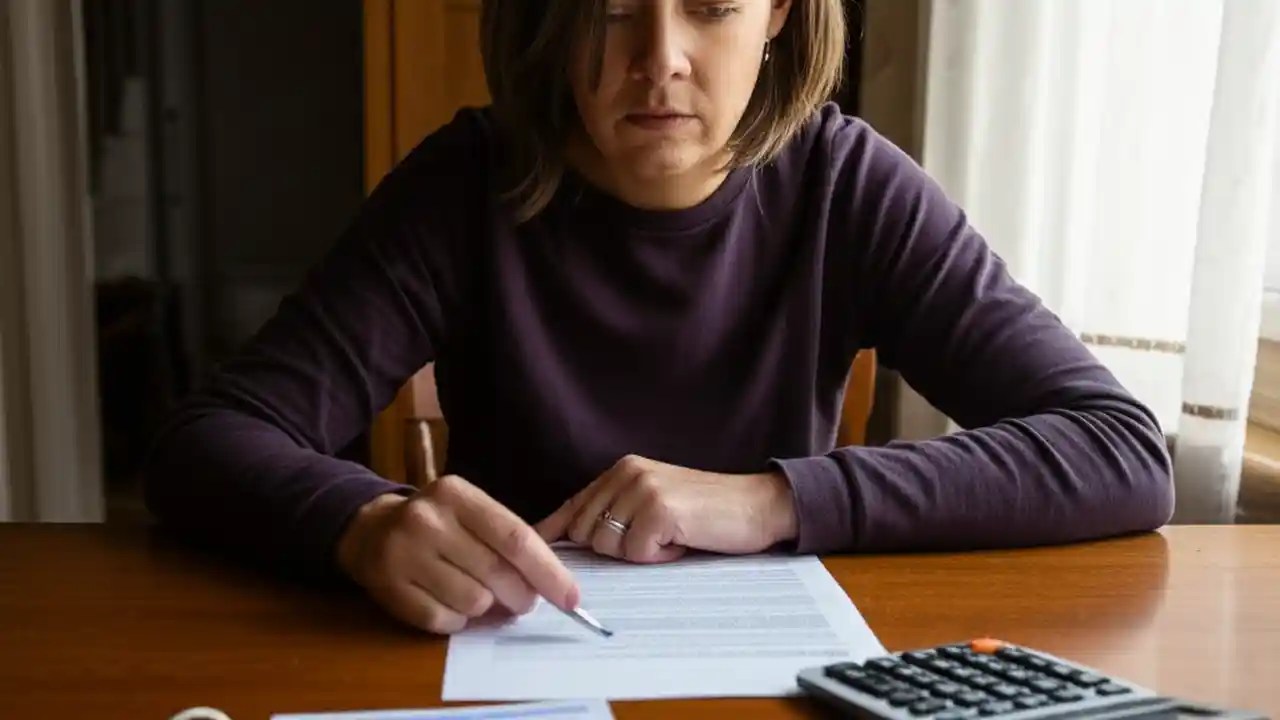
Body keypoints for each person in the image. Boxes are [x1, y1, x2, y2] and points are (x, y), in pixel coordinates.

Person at [142, 0, 1174, 635]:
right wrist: (358, 526)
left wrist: (770, 501)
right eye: (608, 7)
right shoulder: (465, 187)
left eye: (712, 4)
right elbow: (205, 441)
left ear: (777, 10)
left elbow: (1118, 451)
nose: (660, 56)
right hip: (527, 670)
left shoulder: (844, 185)